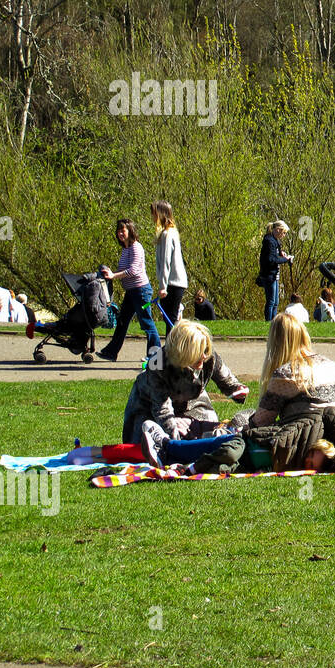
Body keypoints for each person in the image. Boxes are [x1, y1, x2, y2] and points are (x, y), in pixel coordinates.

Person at [121, 320, 249, 470]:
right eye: (197, 352)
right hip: (149, 406)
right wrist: (175, 436)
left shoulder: (209, 356)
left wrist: (237, 390)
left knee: (208, 431)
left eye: (205, 350)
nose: (203, 355)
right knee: (143, 445)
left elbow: (227, 380)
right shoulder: (158, 364)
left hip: (192, 401)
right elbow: (162, 409)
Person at [249, 312, 335, 428]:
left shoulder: (288, 374)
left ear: (275, 342)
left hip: (309, 439)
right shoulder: (332, 365)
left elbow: (260, 422)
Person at [98, 218, 162, 362]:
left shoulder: (136, 247)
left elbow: (133, 270)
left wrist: (114, 276)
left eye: (123, 230)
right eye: (118, 230)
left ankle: (155, 357)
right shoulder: (126, 249)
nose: (120, 233)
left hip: (141, 291)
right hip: (131, 292)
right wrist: (109, 272)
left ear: (130, 231)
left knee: (146, 323)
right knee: (122, 321)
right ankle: (111, 352)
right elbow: (123, 270)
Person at [152, 200, 189, 337]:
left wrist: (163, 286)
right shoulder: (166, 234)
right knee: (169, 319)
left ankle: (172, 352)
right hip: (172, 283)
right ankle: (170, 352)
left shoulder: (168, 234)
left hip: (173, 283)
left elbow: (166, 262)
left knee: (170, 320)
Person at [257, 220, 293, 321]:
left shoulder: (275, 241)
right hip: (269, 275)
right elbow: (271, 259)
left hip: (274, 275)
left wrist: (282, 254)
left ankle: (273, 321)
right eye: (284, 232)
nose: (284, 235)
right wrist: (285, 259)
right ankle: (269, 321)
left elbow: (275, 254)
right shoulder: (269, 241)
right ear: (277, 230)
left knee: (276, 302)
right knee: (271, 301)